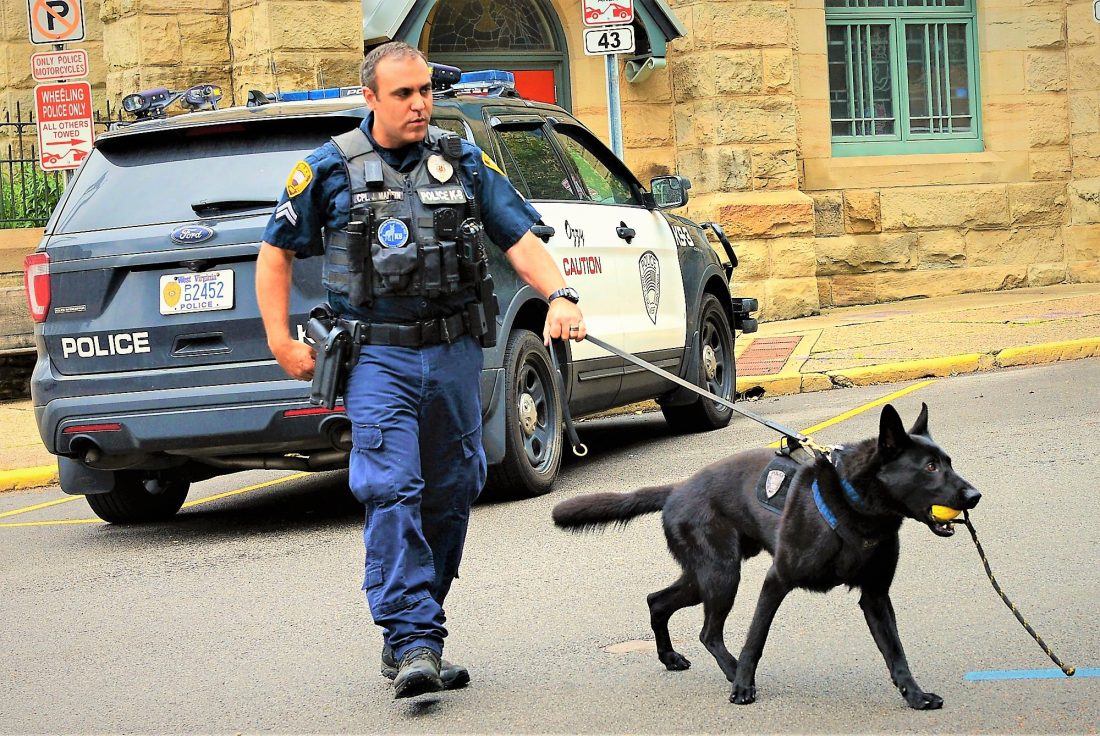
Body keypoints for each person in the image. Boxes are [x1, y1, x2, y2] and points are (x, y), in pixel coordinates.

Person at [255, 41, 586, 699]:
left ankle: (414, 627)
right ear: (371, 99)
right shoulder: (327, 169)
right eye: (403, 94)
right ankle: (413, 641)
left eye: (425, 92)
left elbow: (520, 241)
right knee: (393, 487)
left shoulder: (462, 159)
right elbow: (273, 255)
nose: (418, 104)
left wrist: (561, 296)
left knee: (455, 486)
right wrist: (280, 342)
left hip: (455, 350)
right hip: (377, 356)